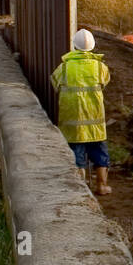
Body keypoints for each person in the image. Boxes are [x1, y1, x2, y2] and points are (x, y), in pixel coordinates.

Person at [50, 28, 112, 196]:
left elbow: (54, 83)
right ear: (92, 46)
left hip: (72, 121)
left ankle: (81, 192)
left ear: (74, 46)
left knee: (76, 155)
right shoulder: (100, 67)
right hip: (95, 120)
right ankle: (102, 185)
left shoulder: (64, 67)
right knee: (100, 154)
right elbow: (105, 82)